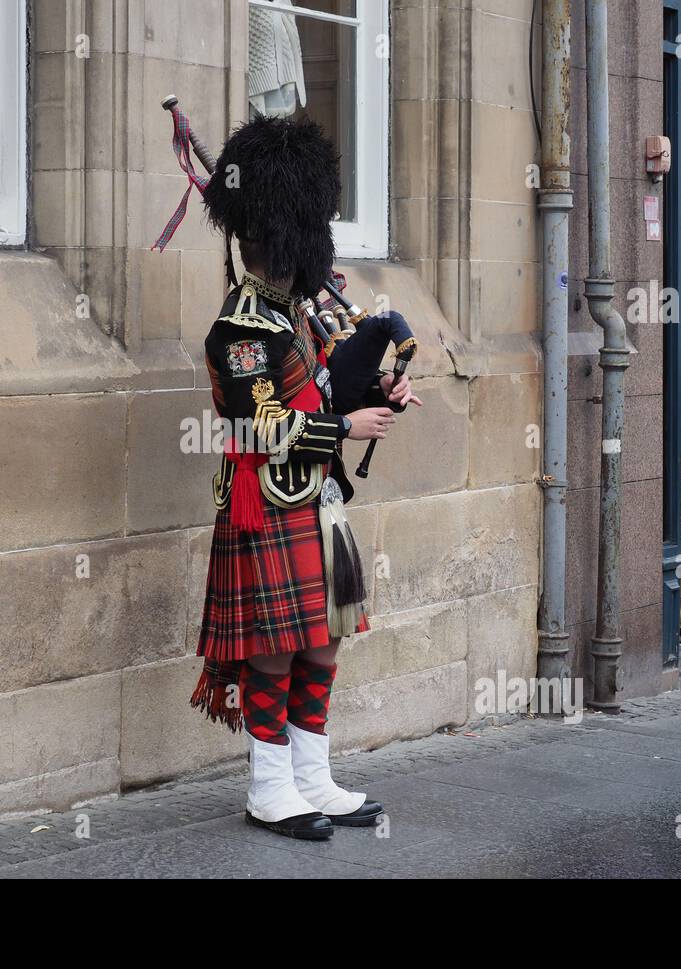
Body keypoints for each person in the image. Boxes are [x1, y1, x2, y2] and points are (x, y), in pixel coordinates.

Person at [191, 115, 420, 840]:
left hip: (318, 499)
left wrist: (380, 394)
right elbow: (255, 426)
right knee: (273, 644)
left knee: (324, 638)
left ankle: (312, 774)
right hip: (267, 500)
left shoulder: (305, 314)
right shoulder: (240, 328)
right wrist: (345, 429)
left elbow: (328, 385)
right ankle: (268, 785)